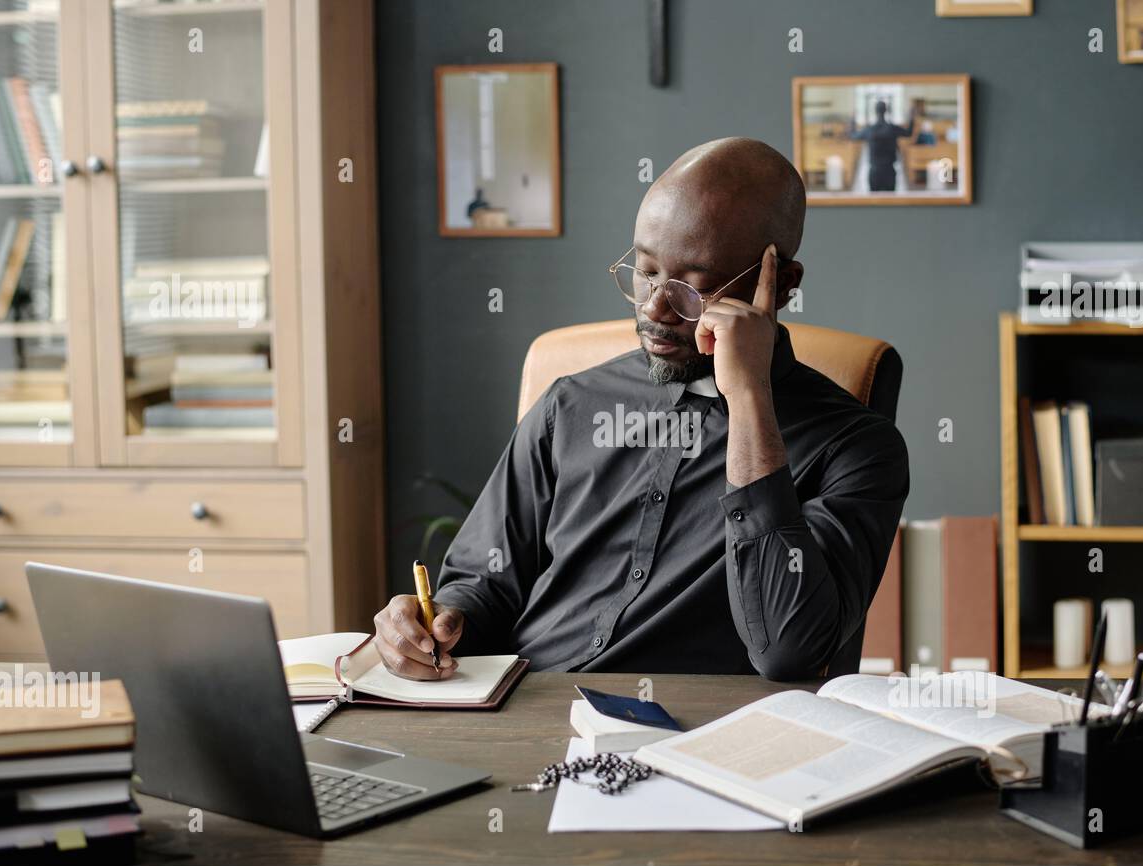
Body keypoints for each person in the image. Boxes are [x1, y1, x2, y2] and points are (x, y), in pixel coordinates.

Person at [374, 137, 908, 681]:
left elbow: (788, 648)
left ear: (782, 285)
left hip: (691, 738)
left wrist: (749, 398)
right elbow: (485, 580)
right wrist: (437, 621)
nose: (654, 308)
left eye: (691, 287)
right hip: (522, 707)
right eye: (647, 271)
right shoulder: (571, 405)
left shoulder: (855, 447)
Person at [853, 101, 915, 192]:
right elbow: (908, 133)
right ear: (886, 110)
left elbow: (854, 136)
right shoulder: (892, 128)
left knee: (874, 201)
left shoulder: (870, 130)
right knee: (890, 200)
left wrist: (852, 119)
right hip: (889, 170)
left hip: (875, 171)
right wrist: (911, 117)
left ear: (875, 111)